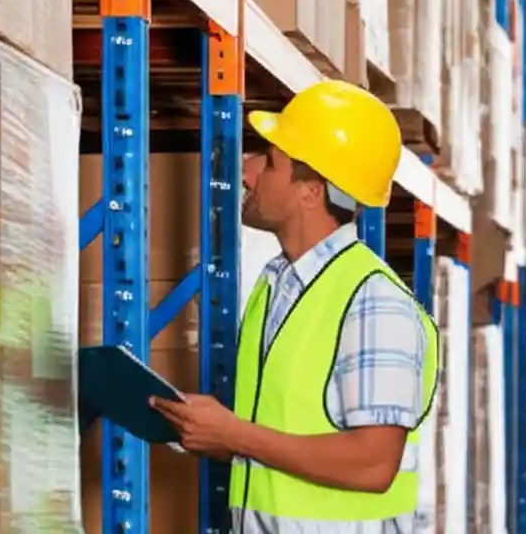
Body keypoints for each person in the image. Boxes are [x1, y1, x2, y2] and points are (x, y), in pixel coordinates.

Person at [151, 79, 440, 532]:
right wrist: (216, 434)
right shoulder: (277, 285)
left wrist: (235, 433)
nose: (247, 171)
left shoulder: (374, 303)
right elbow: (286, 436)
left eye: (269, 161)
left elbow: (373, 464)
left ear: (311, 192)